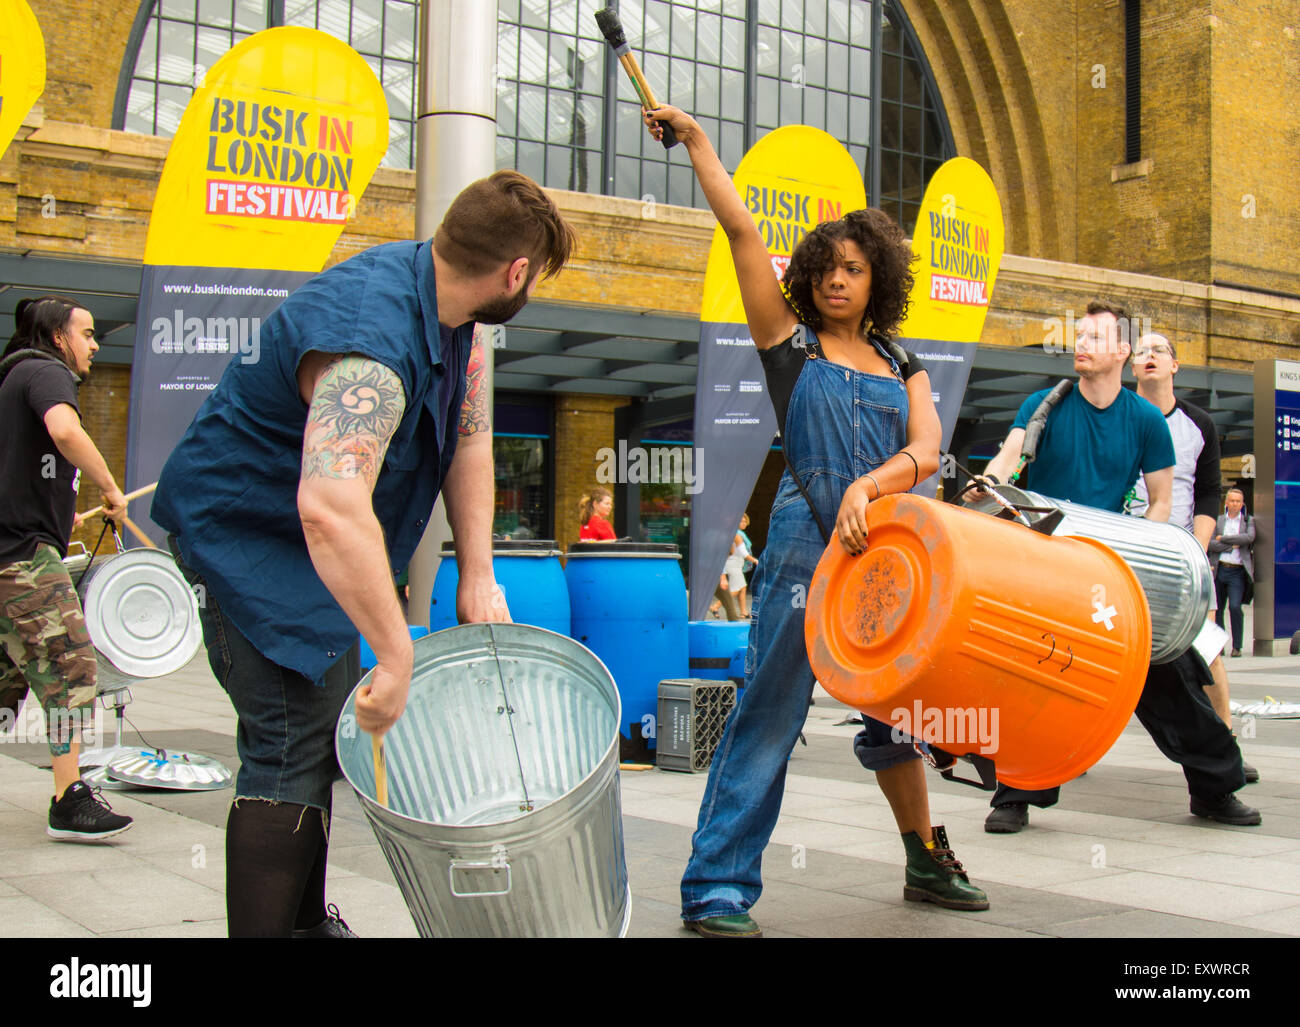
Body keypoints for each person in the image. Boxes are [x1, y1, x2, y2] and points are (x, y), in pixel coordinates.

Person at [152, 171, 576, 936]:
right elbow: (330, 506)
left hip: (309, 548)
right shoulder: (370, 343)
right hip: (246, 536)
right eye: (538, 276)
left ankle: (306, 921)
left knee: (324, 732)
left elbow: (470, 439)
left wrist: (477, 573)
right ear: (517, 272)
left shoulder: (454, 315)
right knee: (288, 743)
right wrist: (396, 649)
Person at [645, 104, 987, 939]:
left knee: (897, 710)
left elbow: (930, 446)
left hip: (892, 543)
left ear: (879, 279)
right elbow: (740, 233)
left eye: (855, 268)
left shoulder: (903, 361)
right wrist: (697, 145)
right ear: (808, 277)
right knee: (769, 707)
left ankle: (922, 857)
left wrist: (876, 482)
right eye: (826, 268)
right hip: (806, 543)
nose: (838, 279)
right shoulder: (787, 345)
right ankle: (717, 887)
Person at [968, 304, 1259, 830]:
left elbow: (1162, 504)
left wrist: (1136, 559)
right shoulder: (1044, 405)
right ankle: (1015, 794)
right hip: (1049, 572)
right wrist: (989, 484)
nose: (1080, 344)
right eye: (1079, 335)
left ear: (1122, 351)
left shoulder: (1145, 419)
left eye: (1095, 337)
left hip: (1114, 573)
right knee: (1040, 680)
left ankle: (1216, 789)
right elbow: (1008, 457)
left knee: (1172, 678)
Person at [0, 296, 133, 841]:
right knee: (72, 667)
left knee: (7, 683)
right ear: (58, 337)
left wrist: (64, 514)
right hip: (25, 563)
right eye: (87, 333)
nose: (95, 344)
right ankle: (68, 800)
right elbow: (65, 432)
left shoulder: (9, 381)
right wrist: (110, 486)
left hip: (9, 554)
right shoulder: (46, 373)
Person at [1130, 334, 1257, 782]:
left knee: (1206, 649)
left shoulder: (1198, 423)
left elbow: (1208, 493)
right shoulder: (1120, 415)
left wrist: (1196, 553)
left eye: (1158, 351)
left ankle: (1226, 744)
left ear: (1175, 365)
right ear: (1132, 369)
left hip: (1180, 556)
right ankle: (1067, 750)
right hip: (1122, 552)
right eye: (1140, 352)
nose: (1148, 356)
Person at [1210, 488, 1255, 658]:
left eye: (1238, 501)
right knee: (1218, 609)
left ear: (1242, 504)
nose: (1235, 504)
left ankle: (1237, 646)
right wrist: (1231, 544)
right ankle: (1220, 645)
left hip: (1237, 571)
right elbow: (1211, 544)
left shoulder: (1248, 521)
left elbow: (1248, 538)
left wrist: (1224, 539)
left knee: (1235, 607)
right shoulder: (1218, 520)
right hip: (1220, 569)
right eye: (1232, 501)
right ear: (1226, 503)